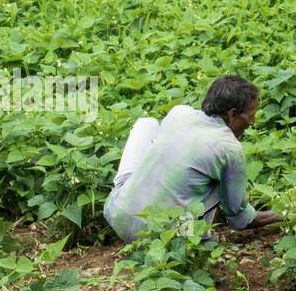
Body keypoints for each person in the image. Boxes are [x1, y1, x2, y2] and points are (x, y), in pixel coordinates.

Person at [104, 74, 280, 244]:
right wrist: (282, 213)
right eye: (251, 115)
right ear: (233, 114)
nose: (252, 123)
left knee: (147, 123)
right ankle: (201, 236)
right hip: (162, 235)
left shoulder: (179, 113)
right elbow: (240, 218)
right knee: (219, 175)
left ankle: (132, 203)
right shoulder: (229, 148)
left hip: (117, 214)